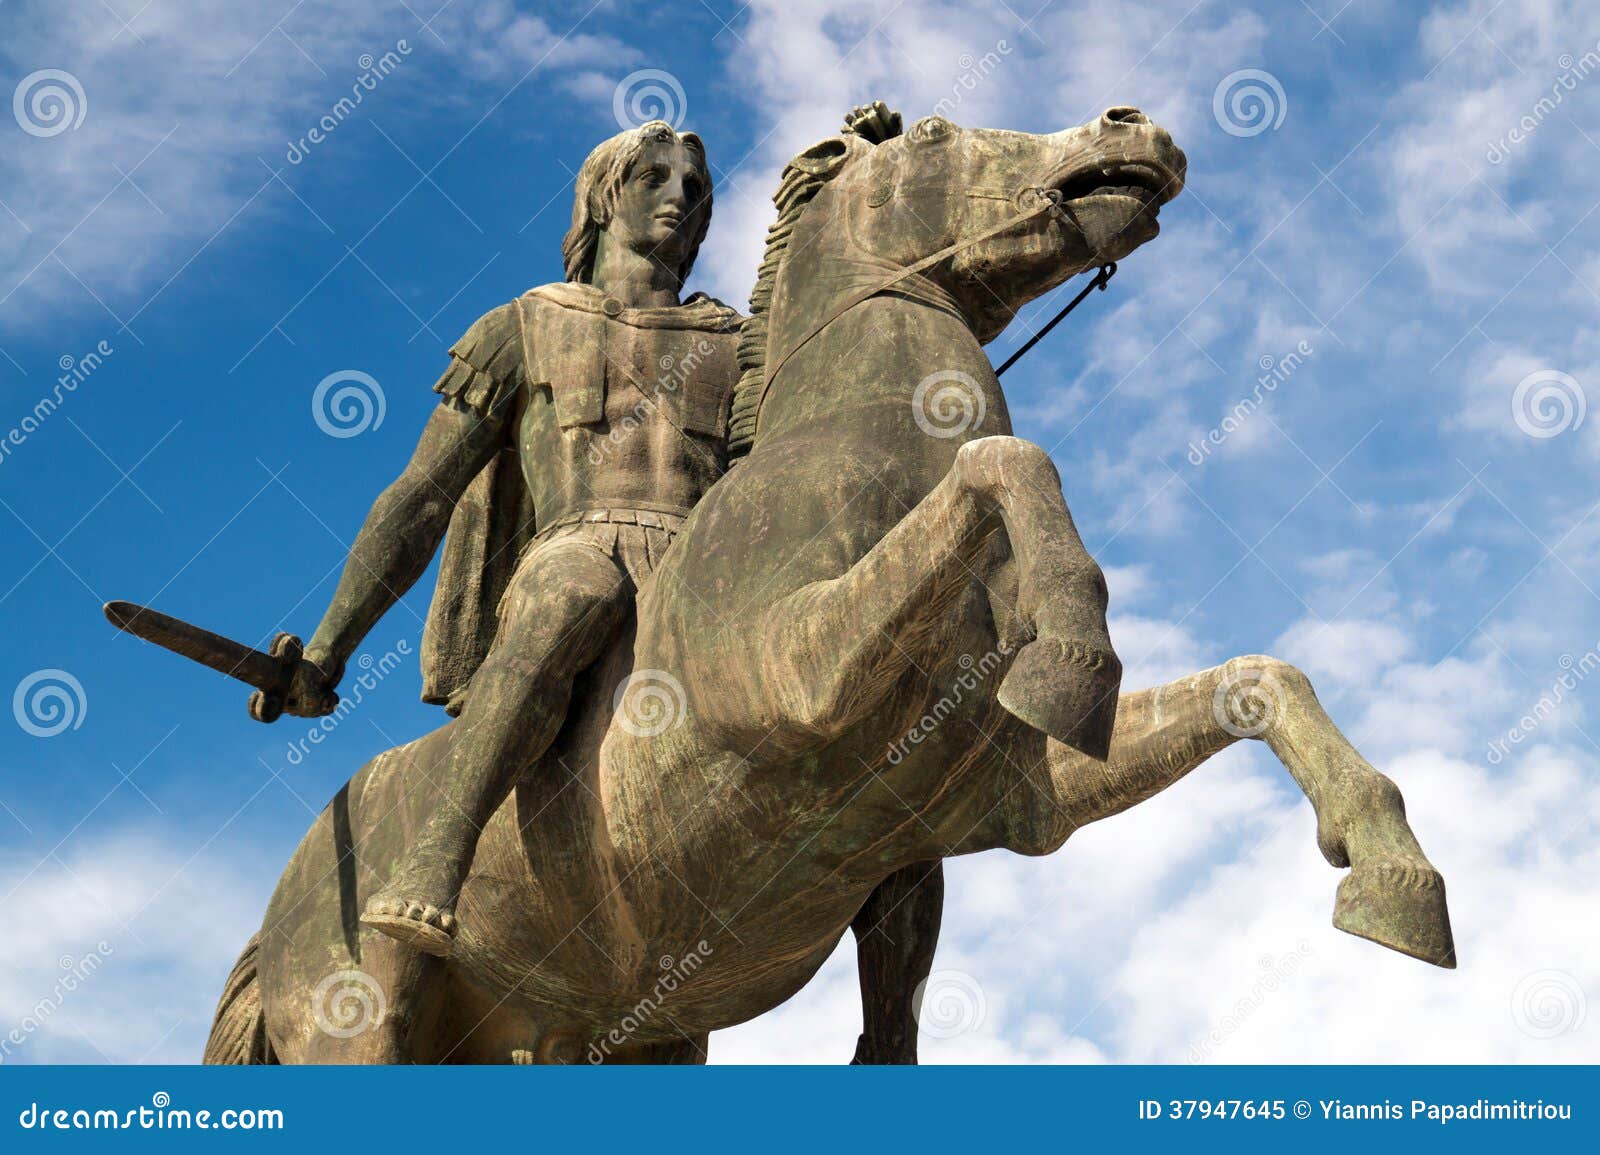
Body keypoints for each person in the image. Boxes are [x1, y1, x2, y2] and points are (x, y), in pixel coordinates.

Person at [284, 120, 743, 956]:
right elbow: (421, 497)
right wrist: (327, 651)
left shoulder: (741, 344)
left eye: (697, 187)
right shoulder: (525, 325)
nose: (680, 196)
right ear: (604, 198)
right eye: (655, 178)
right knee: (572, 592)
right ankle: (435, 860)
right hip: (581, 543)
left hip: (706, 567)